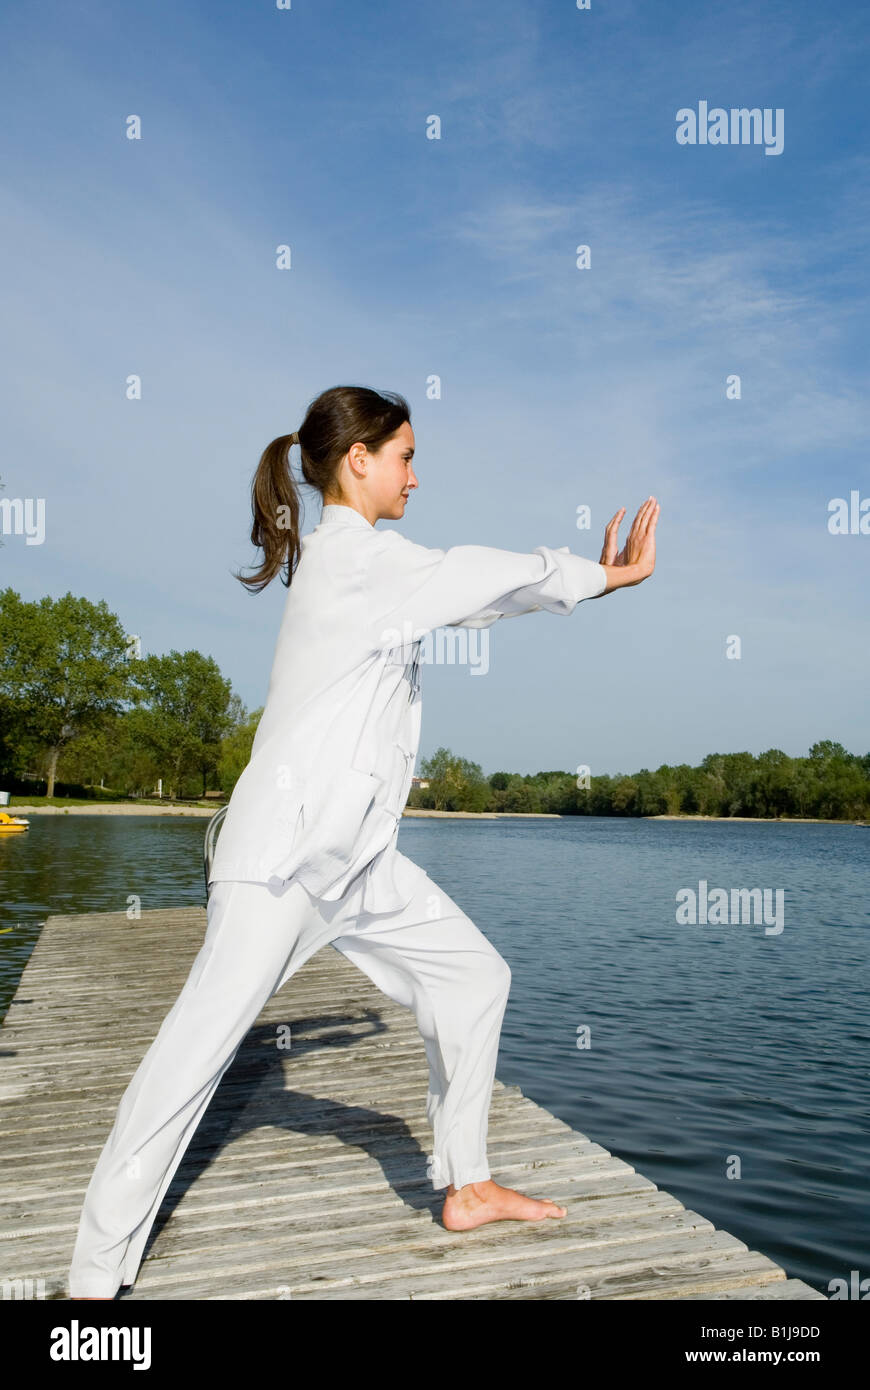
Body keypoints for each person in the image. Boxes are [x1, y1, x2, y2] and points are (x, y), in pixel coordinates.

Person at [68, 384, 658, 1299]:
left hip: (355, 860)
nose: (417, 475)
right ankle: (93, 1288)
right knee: (190, 1059)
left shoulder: (371, 568)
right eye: (407, 456)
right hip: (281, 864)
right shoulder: (354, 561)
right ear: (360, 460)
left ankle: (465, 1186)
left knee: (473, 978)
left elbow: (474, 601)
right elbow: (478, 572)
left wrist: (576, 586)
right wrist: (604, 575)